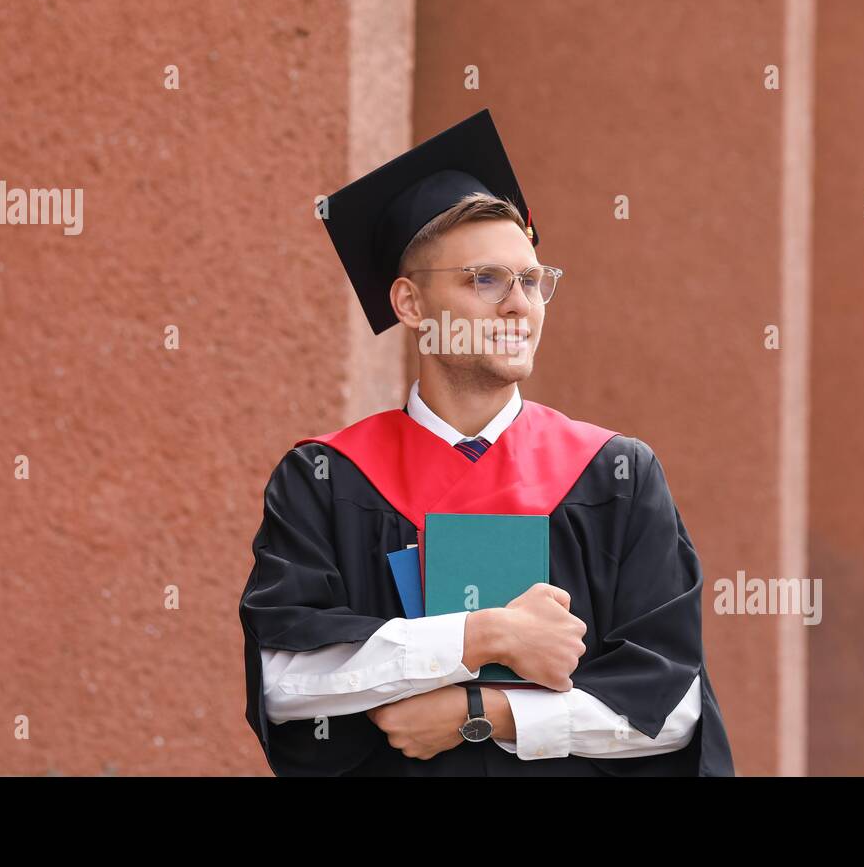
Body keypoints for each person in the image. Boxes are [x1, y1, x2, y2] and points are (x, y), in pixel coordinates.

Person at [239, 108, 734, 776]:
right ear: (411, 306)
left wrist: (486, 711)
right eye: (485, 279)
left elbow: (672, 708)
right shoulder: (326, 479)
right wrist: (484, 635)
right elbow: (287, 680)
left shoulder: (614, 475)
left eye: (532, 281)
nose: (520, 305)